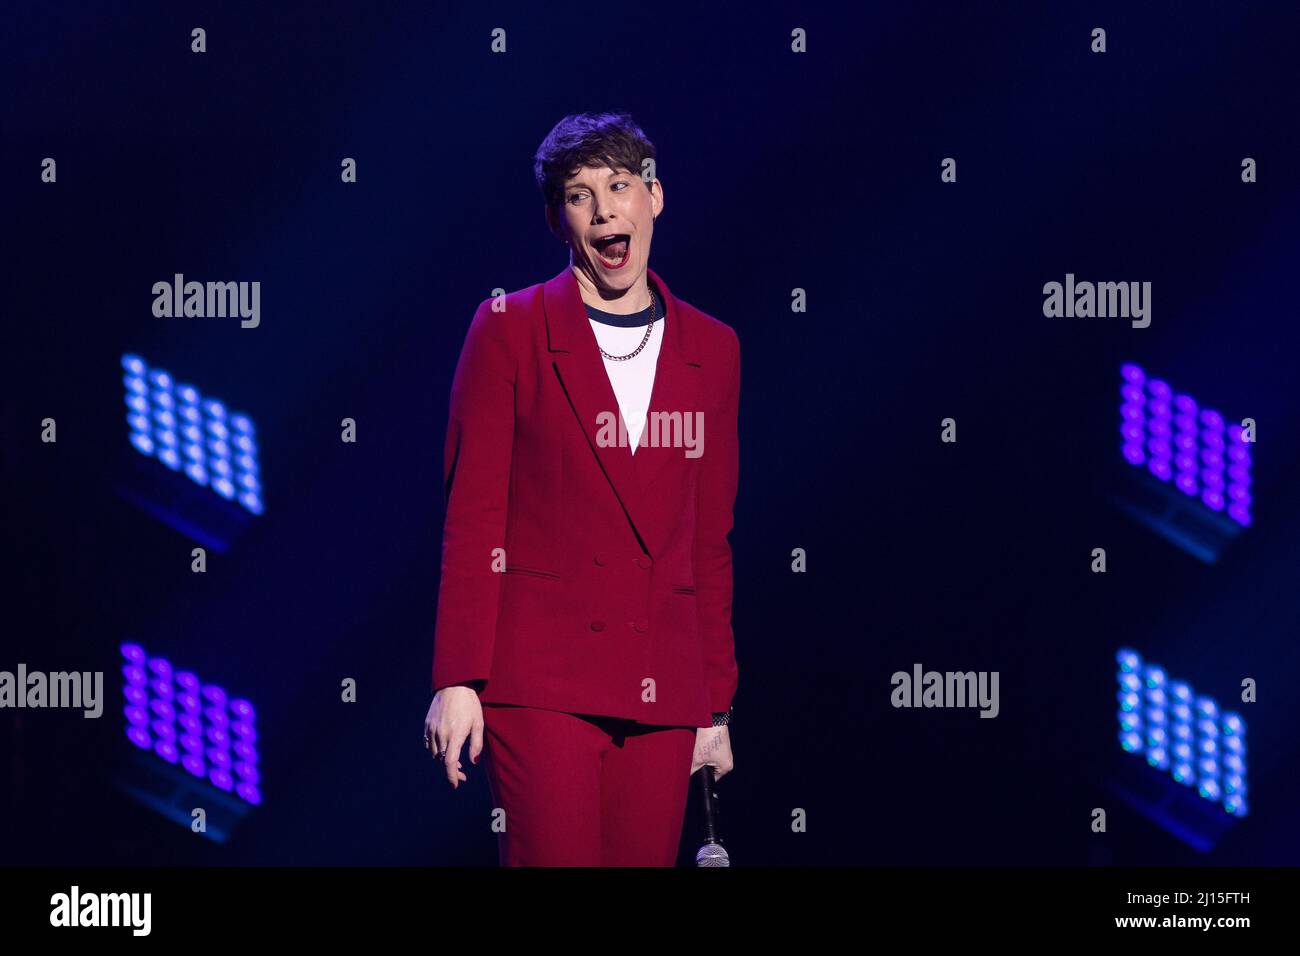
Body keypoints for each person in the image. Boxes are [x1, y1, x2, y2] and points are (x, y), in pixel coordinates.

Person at [423, 111, 740, 866]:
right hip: (540, 678)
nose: (604, 210)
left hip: (663, 683)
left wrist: (715, 702)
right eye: (579, 194)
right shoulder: (508, 327)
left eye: (620, 185)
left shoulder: (715, 348)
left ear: (653, 197)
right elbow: (474, 515)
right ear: (557, 220)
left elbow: (709, 539)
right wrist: (458, 678)